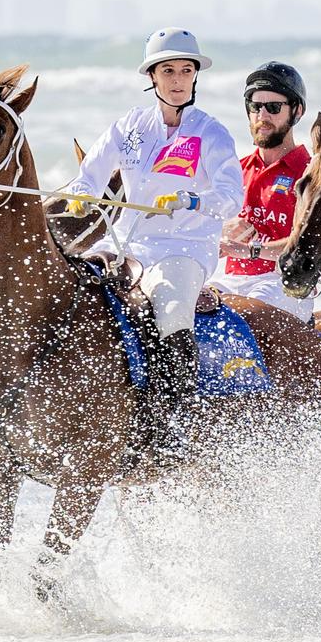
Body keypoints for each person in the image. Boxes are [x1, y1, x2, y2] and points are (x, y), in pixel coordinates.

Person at [64, 27, 244, 450]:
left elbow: (232, 198)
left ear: (195, 76)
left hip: (184, 248)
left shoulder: (212, 133)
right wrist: (80, 196)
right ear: (152, 76)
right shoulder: (128, 127)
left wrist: (192, 200)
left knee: (173, 312)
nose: (178, 80)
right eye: (168, 71)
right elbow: (89, 175)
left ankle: (174, 424)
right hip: (124, 243)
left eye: (186, 70)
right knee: (74, 285)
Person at [209, 61, 315, 322]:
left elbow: (306, 246)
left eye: (273, 107)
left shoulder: (311, 173)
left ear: (297, 111)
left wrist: (249, 250)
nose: (262, 115)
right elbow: (199, 229)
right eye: (255, 107)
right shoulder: (236, 169)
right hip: (231, 279)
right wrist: (221, 231)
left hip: (285, 283)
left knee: (247, 314)